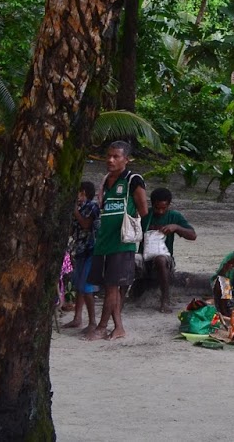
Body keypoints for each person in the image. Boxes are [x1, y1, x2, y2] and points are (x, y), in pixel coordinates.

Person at [86, 140, 147, 340]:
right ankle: (118, 327)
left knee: (112, 286)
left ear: (126, 159)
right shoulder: (105, 180)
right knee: (109, 286)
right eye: (108, 156)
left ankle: (102, 327)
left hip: (122, 241)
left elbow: (143, 210)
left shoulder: (133, 180)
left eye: (116, 157)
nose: (110, 160)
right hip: (103, 241)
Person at [140, 187, 195, 313]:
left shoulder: (174, 216)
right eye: (157, 208)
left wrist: (176, 228)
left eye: (163, 208)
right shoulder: (145, 215)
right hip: (144, 256)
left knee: (160, 259)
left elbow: (193, 235)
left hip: (164, 259)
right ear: (152, 204)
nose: (160, 211)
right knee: (128, 258)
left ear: (169, 205)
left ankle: (165, 299)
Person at [67, 181, 99, 330]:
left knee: (86, 287)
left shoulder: (92, 207)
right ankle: (77, 318)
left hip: (90, 250)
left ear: (83, 193)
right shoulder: (81, 208)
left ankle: (92, 322)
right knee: (79, 286)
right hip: (79, 250)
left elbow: (86, 224)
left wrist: (74, 211)